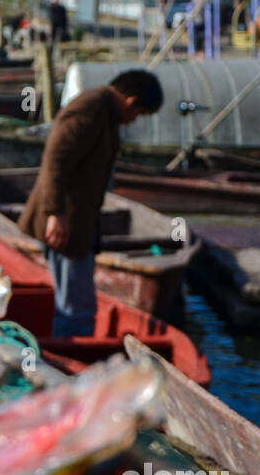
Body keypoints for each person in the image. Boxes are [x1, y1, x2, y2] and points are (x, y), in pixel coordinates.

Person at [18, 69, 164, 337]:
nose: (132, 121)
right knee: (77, 309)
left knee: (74, 303)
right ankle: (71, 366)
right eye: (137, 115)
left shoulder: (104, 110)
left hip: (79, 222)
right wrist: (54, 212)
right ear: (131, 101)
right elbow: (56, 157)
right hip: (66, 223)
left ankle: (69, 357)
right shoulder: (92, 108)